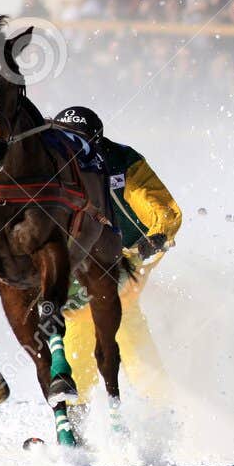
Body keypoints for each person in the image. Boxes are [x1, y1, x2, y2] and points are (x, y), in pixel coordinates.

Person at [51, 105, 184, 406]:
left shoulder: (121, 161)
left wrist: (158, 234)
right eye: (62, 142)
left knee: (101, 314)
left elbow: (160, 205)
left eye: (77, 143)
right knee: (82, 319)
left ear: (96, 143)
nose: (70, 151)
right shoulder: (54, 168)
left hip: (131, 255)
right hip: (82, 262)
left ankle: (159, 407)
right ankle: (80, 412)